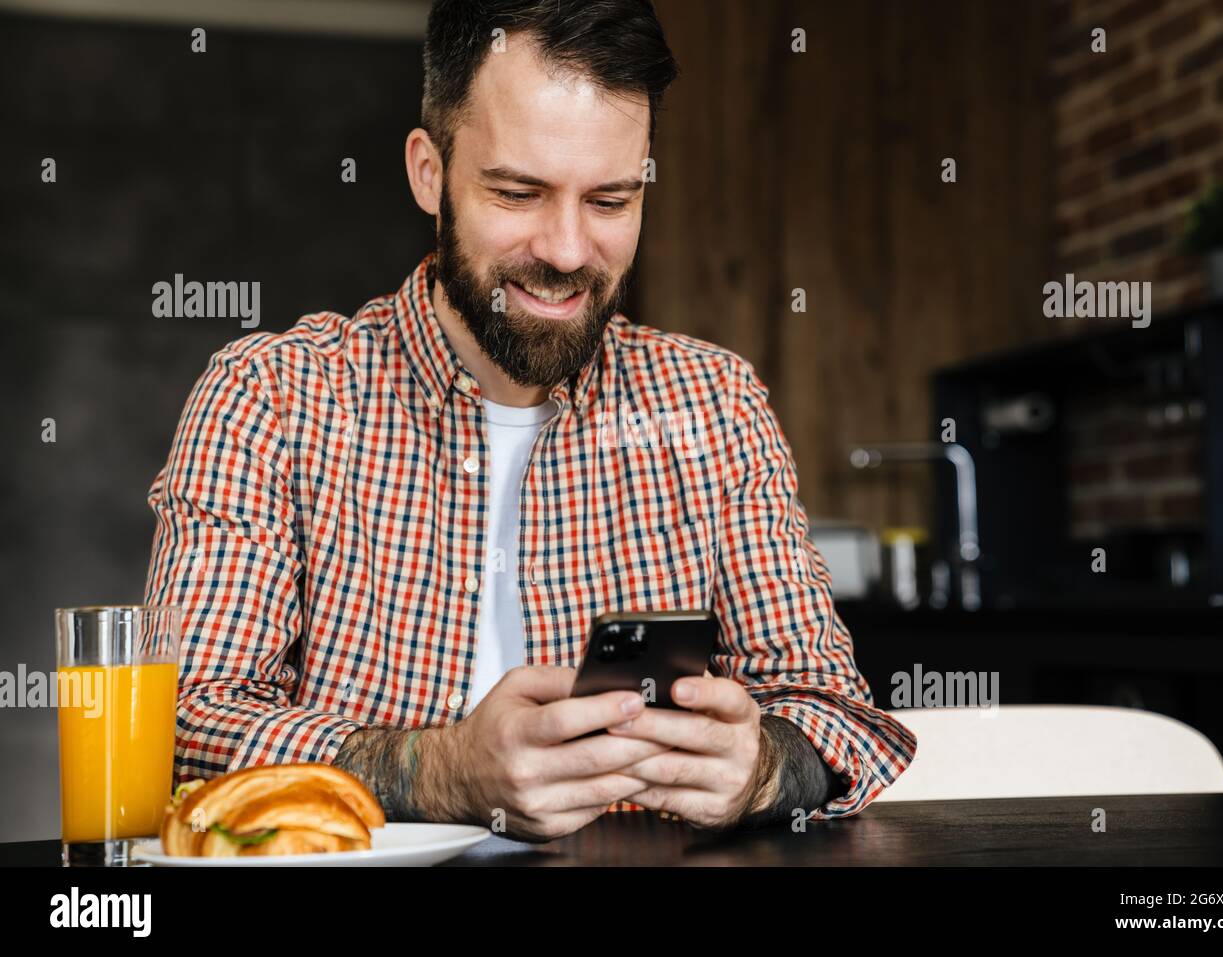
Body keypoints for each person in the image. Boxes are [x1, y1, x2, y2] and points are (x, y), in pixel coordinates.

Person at [144, 0, 915, 842]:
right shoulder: (272, 398)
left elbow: (837, 715)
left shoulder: (715, 407)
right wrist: (435, 769)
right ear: (428, 172)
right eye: (519, 192)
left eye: (611, 200)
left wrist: (761, 766)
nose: (568, 250)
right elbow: (184, 729)